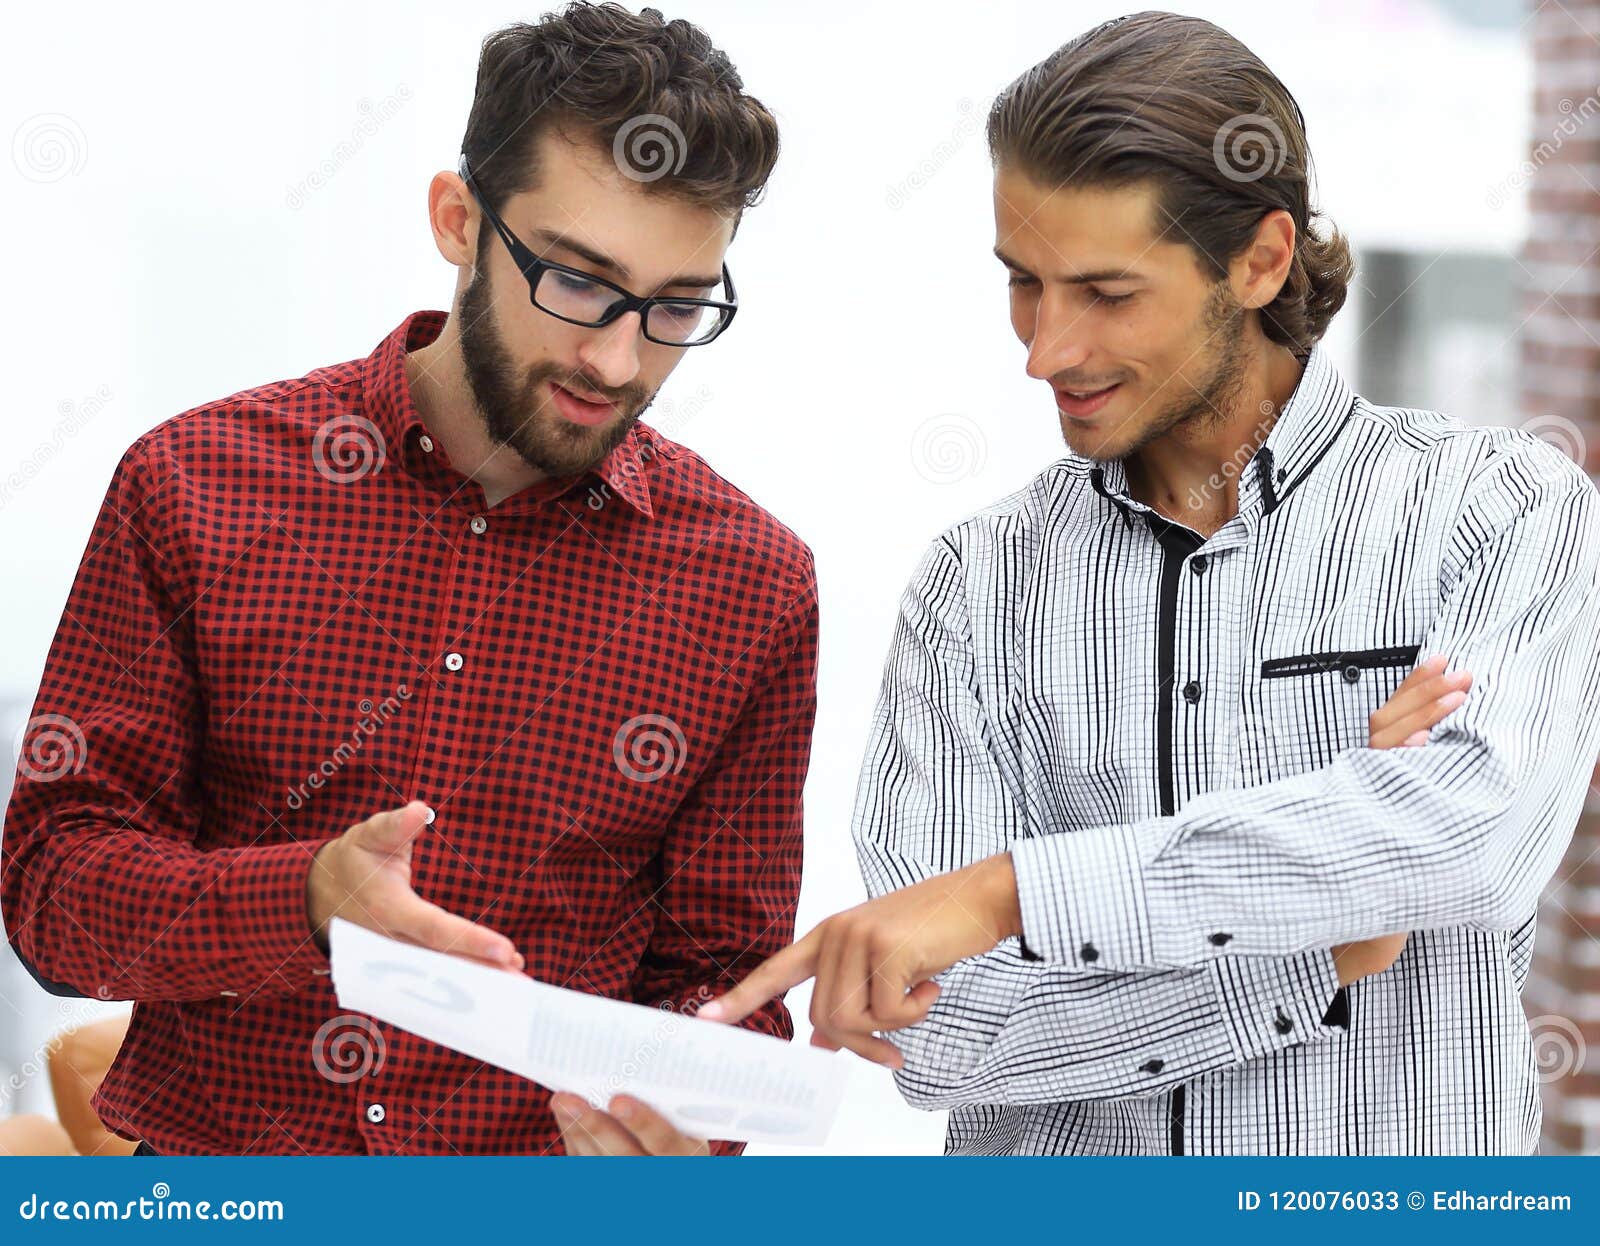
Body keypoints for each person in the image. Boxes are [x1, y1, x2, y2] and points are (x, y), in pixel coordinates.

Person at [703, 11, 1600, 1155]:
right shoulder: (976, 584)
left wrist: (1007, 895)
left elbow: (1464, 840)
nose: (1044, 349)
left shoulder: (1501, 512)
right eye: (1023, 282)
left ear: (1260, 259)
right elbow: (936, 1028)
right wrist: (1316, 939)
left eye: (1106, 293)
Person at [2, 3, 813, 1157]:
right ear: (458, 221)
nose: (620, 359)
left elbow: (725, 985)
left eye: (677, 305)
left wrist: (686, 1119)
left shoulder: (752, 583)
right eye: (577, 283)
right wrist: (306, 905)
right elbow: (50, 893)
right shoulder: (192, 483)